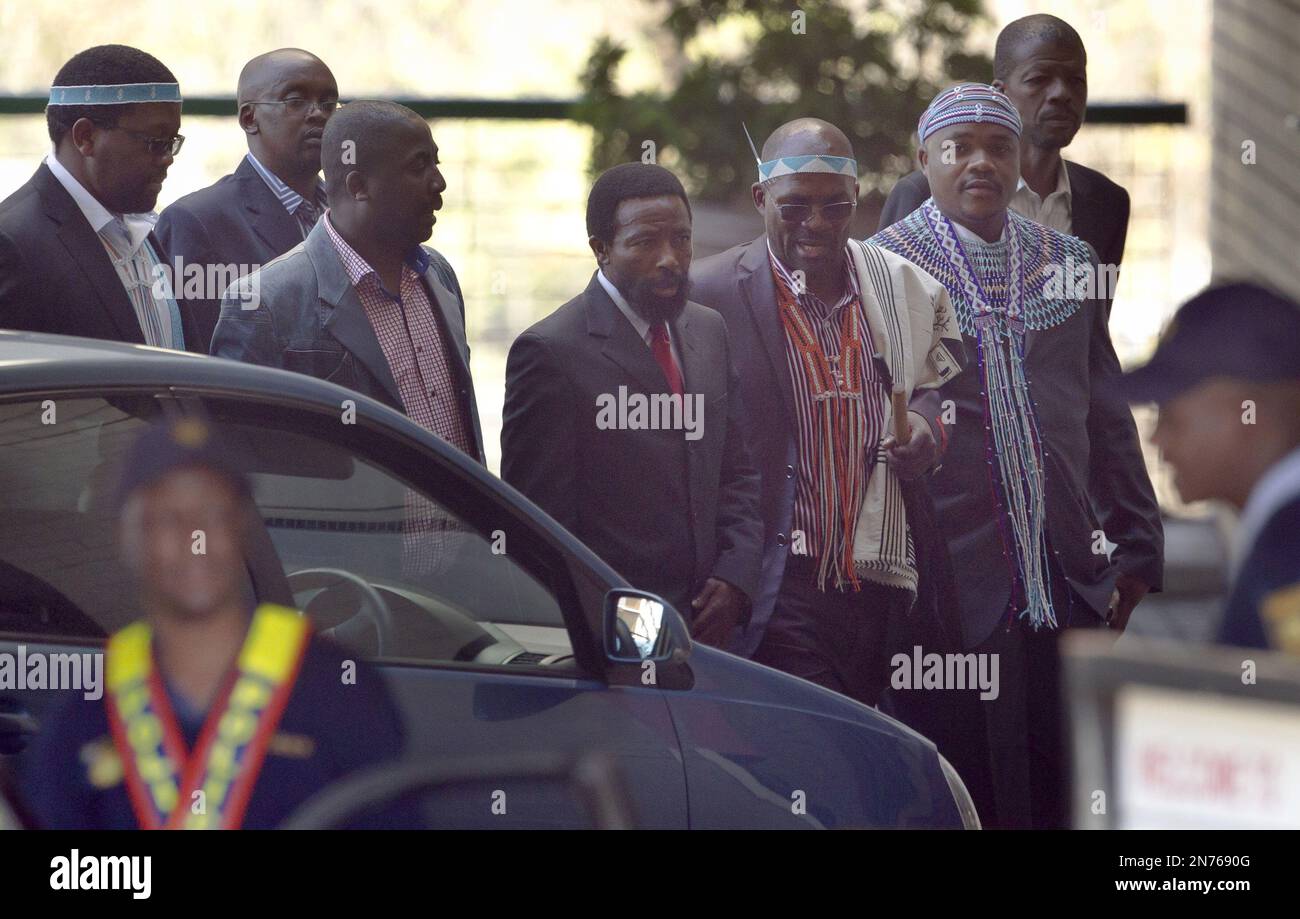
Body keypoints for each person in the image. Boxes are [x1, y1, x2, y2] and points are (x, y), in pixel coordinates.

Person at [868, 84, 1163, 828]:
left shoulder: (1068, 261)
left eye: (997, 147)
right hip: (946, 579)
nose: (979, 163)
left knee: (1066, 775)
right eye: (957, 147)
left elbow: (1104, 407)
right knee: (966, 783)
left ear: (1019, 158)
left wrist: (1135, 545)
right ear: (922, 157)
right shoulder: (883, 268)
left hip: (1066, 567)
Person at [20, 417, 410, 829]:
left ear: (241, 528)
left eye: (213, 513)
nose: (195, 538)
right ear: (128, 538)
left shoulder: (338, 691)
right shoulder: (90, 711)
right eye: (169, 518)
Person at [689, 119, 965, 699]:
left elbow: (937, 392)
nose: (815, 225)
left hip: (881, 579)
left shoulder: (902, 287)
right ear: (761, 198)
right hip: (777, 582)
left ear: (855, 201)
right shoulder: (709, 292)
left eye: (834, 208)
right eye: (793, 209)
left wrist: (925, 428)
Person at [501, 163, 763, 645]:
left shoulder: (708, 330)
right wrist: (623, 629)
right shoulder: (551, 353)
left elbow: (738, 472)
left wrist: (736, 578)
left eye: (681, 239)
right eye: (645, 243)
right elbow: (541, 529)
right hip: (616, 641)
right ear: (601, 250)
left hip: (715, 630)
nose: (671, 259)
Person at [211, 100, 483, 462]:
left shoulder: (439, 275)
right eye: (419, 166)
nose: (439, 182)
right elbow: (241, 463)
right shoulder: (264, 303)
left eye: (437, 162)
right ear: (358, 186)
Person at [879, 14, 1129, 315]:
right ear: (1000, 93)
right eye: (1039, 79)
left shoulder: (1106, 202)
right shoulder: (923, 194)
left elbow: (1094, 330)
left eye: (1076, 81)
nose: (1062, 94)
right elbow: (891, 324)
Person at [1122, 283, 1300, 654]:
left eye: (1169, 413)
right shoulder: (1279, 533)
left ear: (1245, 410)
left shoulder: (1288, 550)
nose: (1155, 439)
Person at [0, 44, 198, 350]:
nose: (168, 158)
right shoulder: (14, 244)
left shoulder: (135, 224)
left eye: (171, 142)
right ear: (86, 138)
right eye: (156, 142)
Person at [156, 49, 338, 352]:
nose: (318, 113)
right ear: (249, 118)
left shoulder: (351, 213)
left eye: (329, 103)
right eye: (296, 101)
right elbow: (199, 358)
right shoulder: (197, 222)